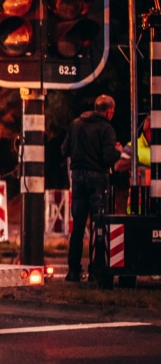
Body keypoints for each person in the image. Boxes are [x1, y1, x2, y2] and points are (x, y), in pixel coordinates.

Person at [60, 95, 122, 282]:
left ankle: (73, 271)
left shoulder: (76, 124)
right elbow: (107, 158)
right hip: (97, 179)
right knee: (98, 226)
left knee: (77, 226)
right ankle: (96, 270)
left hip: (77, 178)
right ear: (109, 111)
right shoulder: (107, 129)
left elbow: (64, 150)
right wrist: (117, 151)